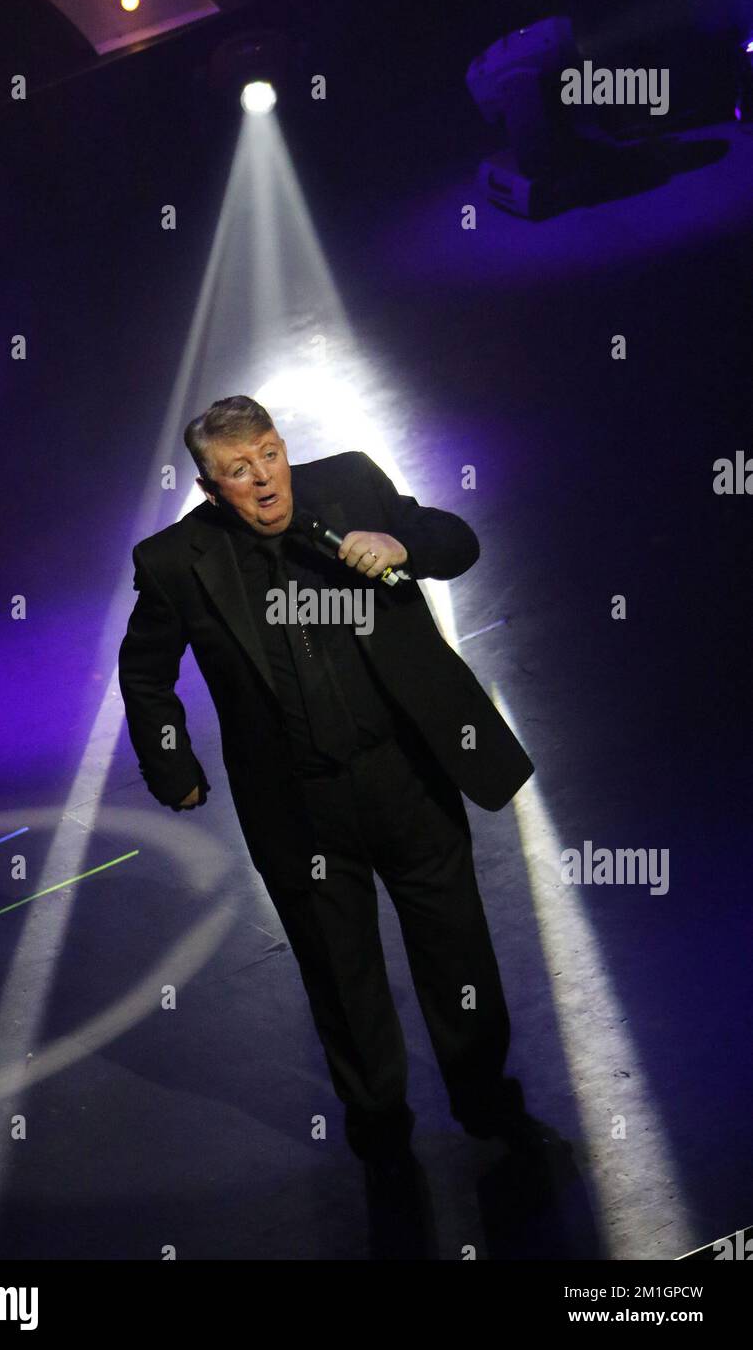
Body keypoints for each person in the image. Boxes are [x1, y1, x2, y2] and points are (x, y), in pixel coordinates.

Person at [118, 395, 565, 1162]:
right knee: (340, 972)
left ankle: (487, 1099)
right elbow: (145, 673)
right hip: (298, 806)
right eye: (237, 471)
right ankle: (379, 1125)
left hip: (405, 777)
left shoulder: (352, 485)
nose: (263, 480)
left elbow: (455, 541)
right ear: (207, 486)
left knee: (456, 951)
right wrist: (173, 765)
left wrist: (401, 545)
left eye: (269, 454)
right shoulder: (174, 563)